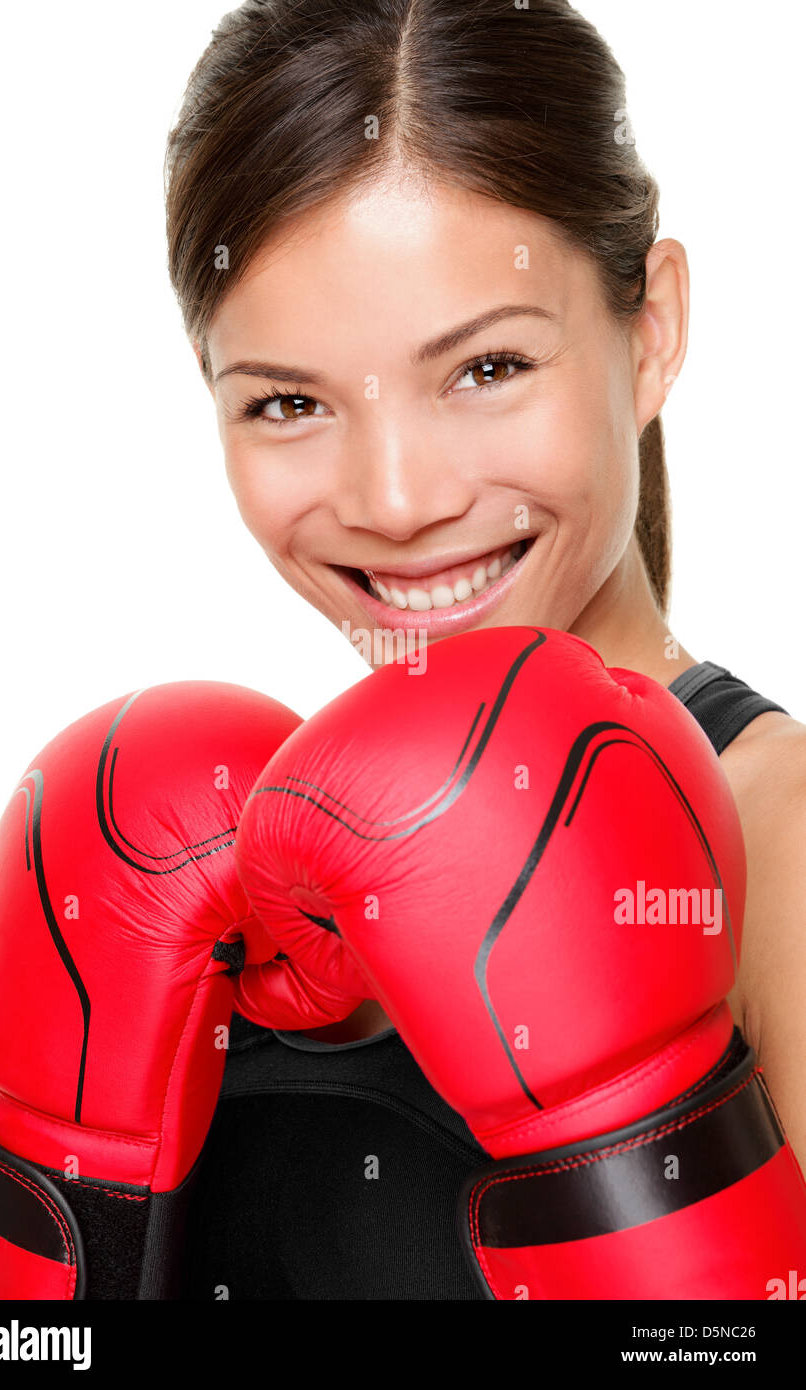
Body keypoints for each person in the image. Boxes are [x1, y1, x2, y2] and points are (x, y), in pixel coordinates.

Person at [157, 0, 806, 1299]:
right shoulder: (211, 873)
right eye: (288, 401)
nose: (394, 499)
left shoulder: (779, 845)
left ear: (649, 331)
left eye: (485, 368)